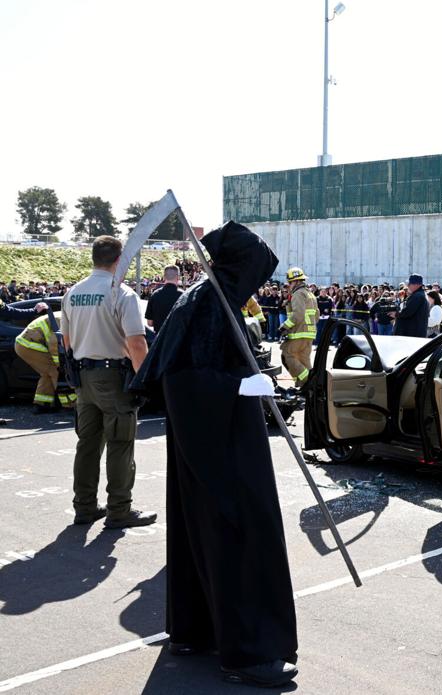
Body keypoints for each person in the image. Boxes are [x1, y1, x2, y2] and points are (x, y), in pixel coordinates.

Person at [132, 221, 298, 687]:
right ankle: (245, 653)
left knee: (204, 533)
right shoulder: (209, 299)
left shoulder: (211, 297)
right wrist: (239, 386)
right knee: (238, 534)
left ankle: (197, 630)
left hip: (219, 436)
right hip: (221, 445)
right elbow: (179, 380)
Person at [60, 235, 155, 529]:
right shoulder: (121, 294)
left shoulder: (72, 293)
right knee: (120, 443)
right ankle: (119, 509)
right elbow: (137, 344)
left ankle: (85, 507)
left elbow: (66, 341)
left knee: (87, 445)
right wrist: (145, 380)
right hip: (114, 377)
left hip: (83, 377)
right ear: (119, 260)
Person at [15, 312, 76, 412]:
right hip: (28, 346)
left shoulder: (64, 316)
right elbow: (54, 344)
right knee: (56, 372)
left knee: (47, 373)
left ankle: (43, 404)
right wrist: (61, 364)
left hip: (24, 344)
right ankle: (69, 404)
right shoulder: (62, 321)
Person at [279, 267, 317, 386]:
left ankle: (306, 383)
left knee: (287, 355)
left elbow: (298, 315)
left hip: (299, 333)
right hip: (309, 333)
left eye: (290, 282)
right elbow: (317, 314)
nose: (288, 285)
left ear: (297, 281)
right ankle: (312, 386)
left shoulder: (298, 294)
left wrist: (284, 326)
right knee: (303, 360)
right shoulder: (310, 294)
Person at [144, 265, 181, 333]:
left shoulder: (154, 295)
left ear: (164, 277)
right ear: (178, 277)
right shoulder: (183, 296)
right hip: (178, 339)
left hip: (159, 339)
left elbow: (150, 323)